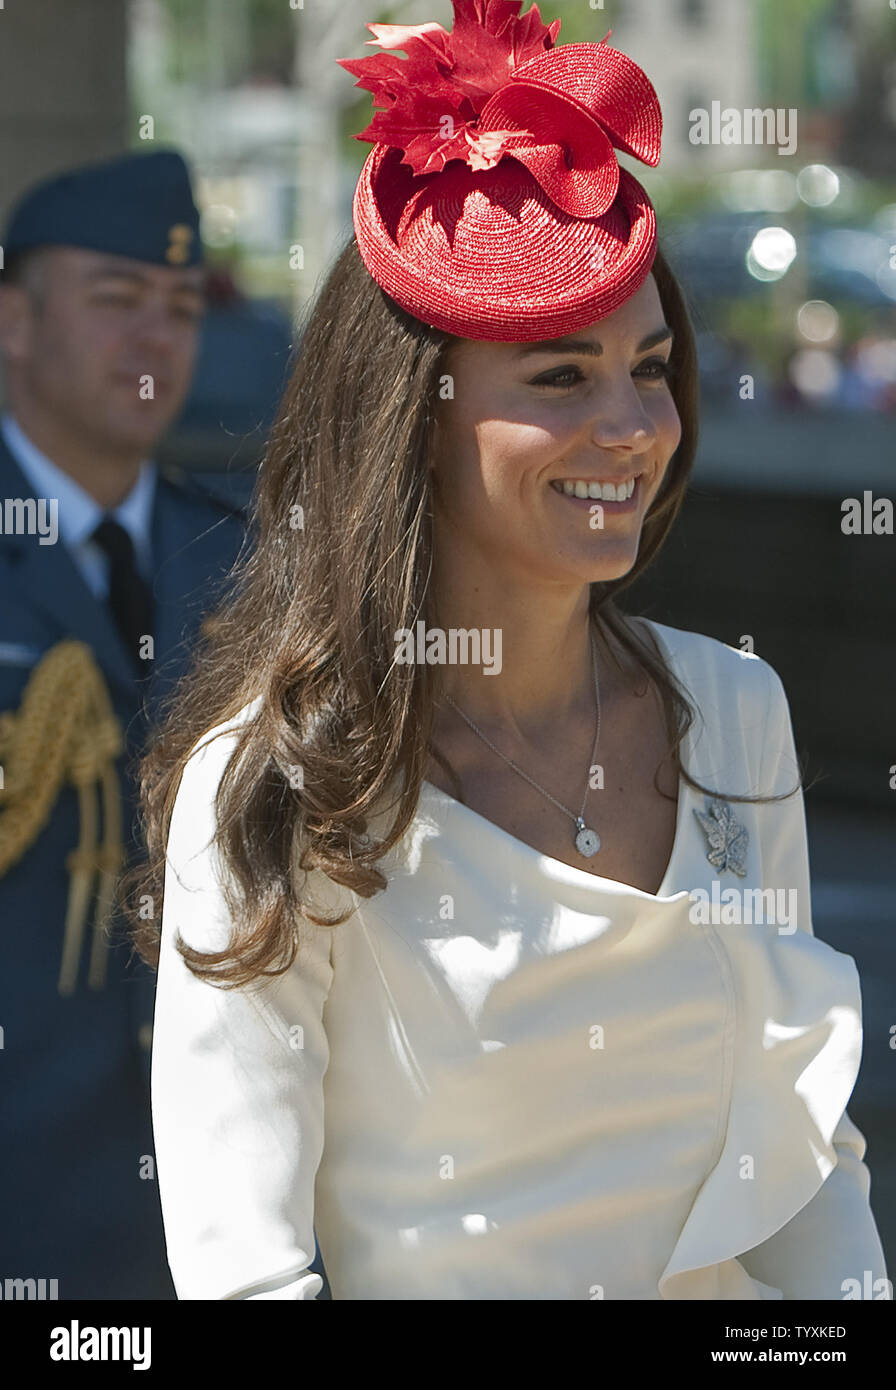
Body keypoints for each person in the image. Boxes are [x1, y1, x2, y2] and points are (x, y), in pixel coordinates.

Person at [136, 4, 889, 1299]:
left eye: (651, 369)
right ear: (413, 419)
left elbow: (798, 1157)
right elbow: (244, 1272)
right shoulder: (269, 784)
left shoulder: (735, 708)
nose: (632, 426)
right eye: (558, 378)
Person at [0, 149, 247, 1298]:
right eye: (116, 300)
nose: (155, 337)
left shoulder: (252, 571)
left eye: (180, 307)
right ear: (13, 318)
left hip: (218, 1223)